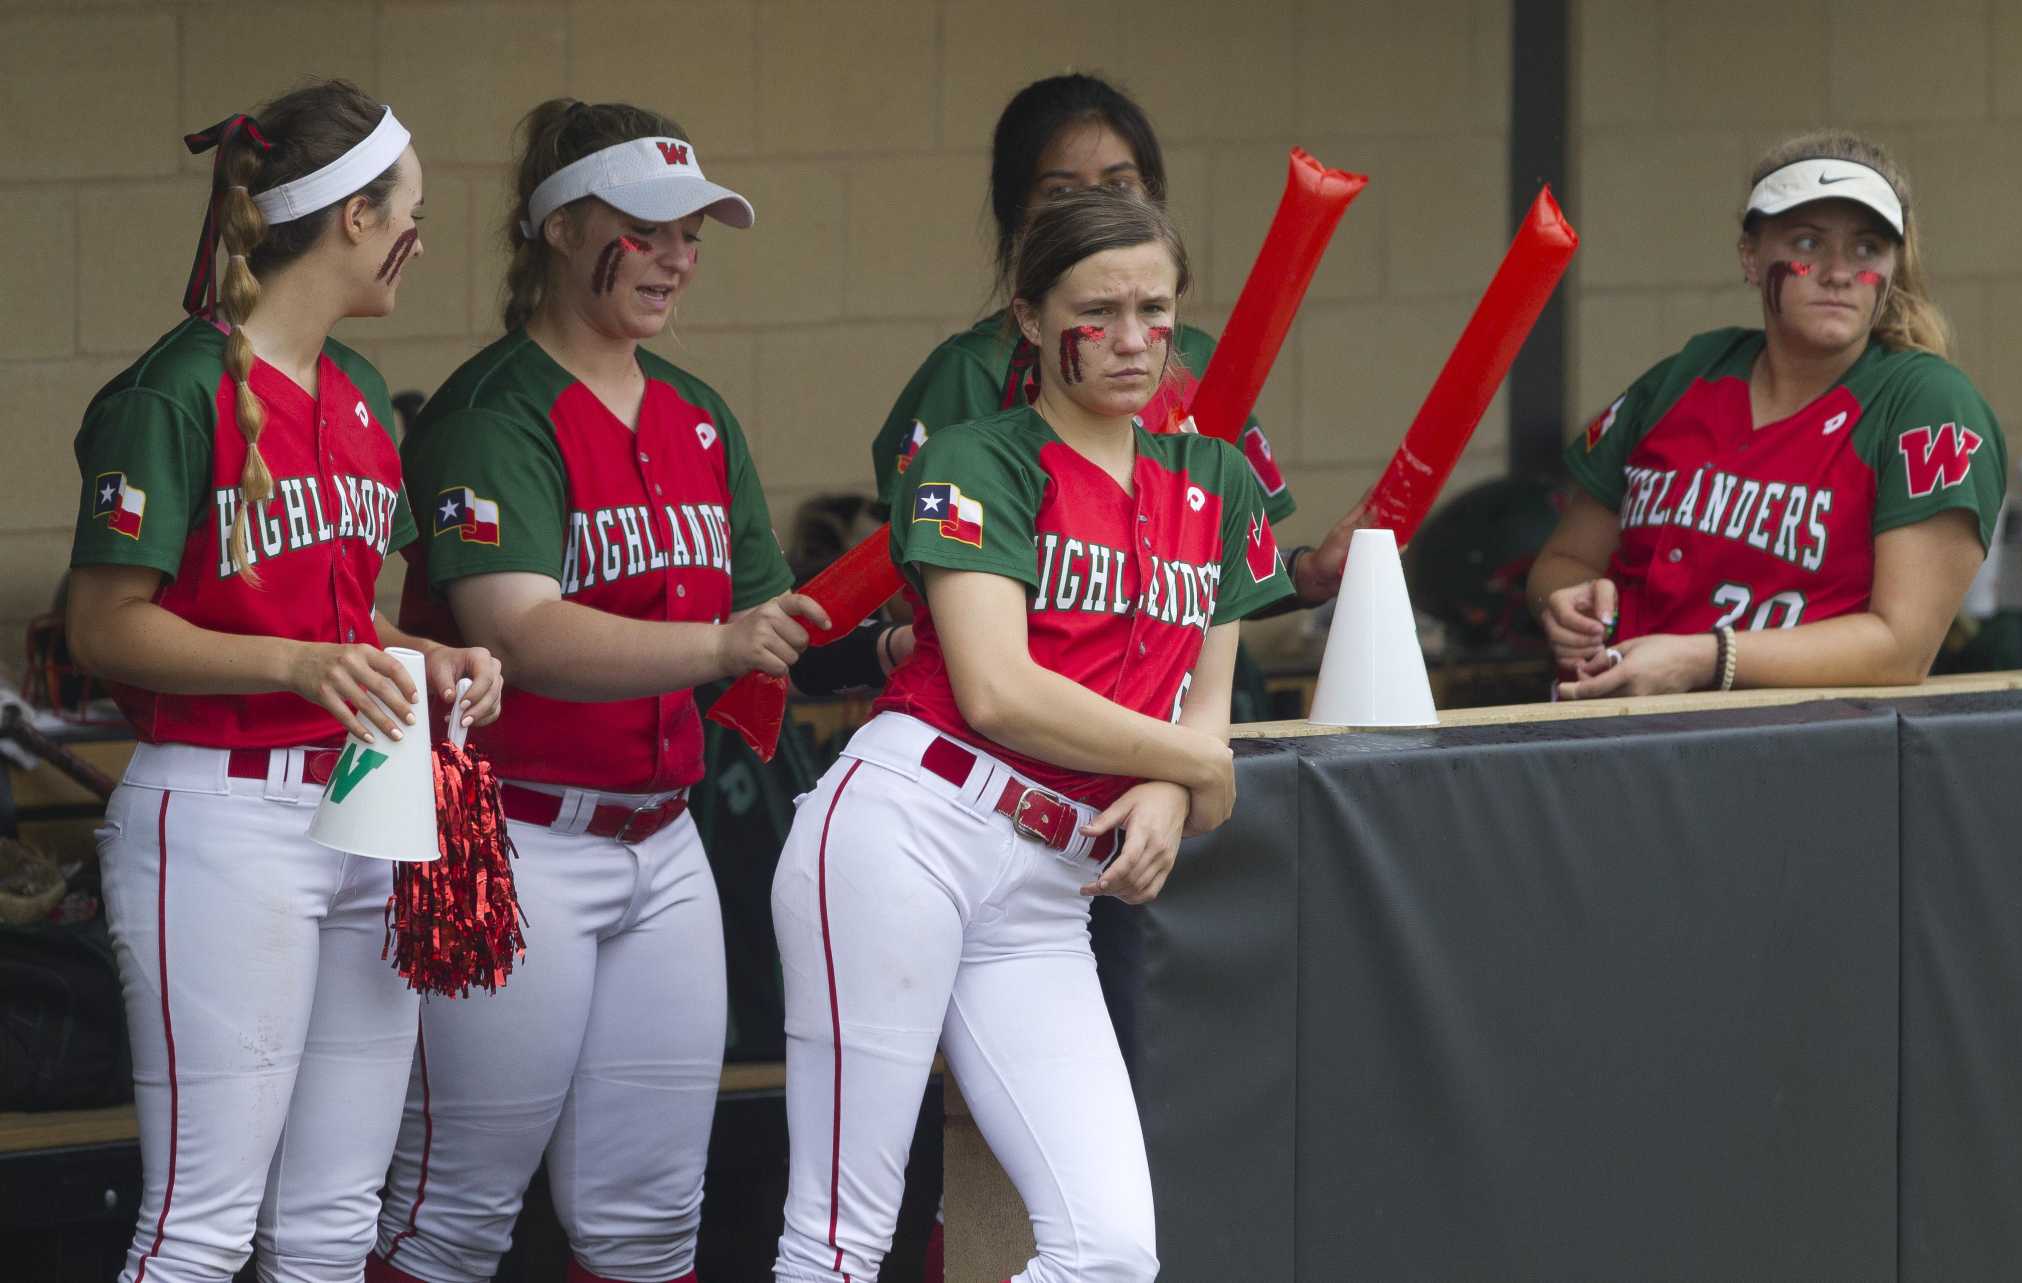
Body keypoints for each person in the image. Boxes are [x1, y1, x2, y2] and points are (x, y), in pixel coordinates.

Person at [773, 186, 1292, 1283]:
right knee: (836, 1242)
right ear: (1028, 315)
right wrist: (1191, 766)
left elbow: (1202, 708)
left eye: (1155, 309)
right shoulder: (976, 455)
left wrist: (1168, 780)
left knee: (1107, 1249)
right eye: (1096, 309)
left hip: (1049, 879)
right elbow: (999, 689)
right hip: (912, 826)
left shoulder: (1218, 479)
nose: (1130, 337)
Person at [368, 99, 829, 1283]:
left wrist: (859, 645)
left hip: (662, 839)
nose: (679, 256)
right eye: (650, 227)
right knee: (451, 1215)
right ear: (564, 228)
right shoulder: (491, 412)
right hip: (509, 832)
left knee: (648, 1223)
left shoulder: (695, 412)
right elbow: (519, 633)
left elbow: (763, 619)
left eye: (693, 233)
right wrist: (726, 648)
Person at [66, 80, 504, 1283]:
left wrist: (437, 659)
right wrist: (300, 663)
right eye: (409, 210)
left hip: (364, 792)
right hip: (220, 807)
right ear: (355, 216)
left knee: (329, 1224)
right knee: (202, 1224)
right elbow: (103, 625)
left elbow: (336, 617)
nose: (421, 236)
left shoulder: (356, 389)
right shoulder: (178, 385)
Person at [1529, 129, 2006, 698]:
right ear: (1751, 258)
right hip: (1604, 741)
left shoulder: (1924, 402)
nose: (1837, 272)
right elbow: (1564, 559)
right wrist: (1567, 602)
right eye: (1806, 244)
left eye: (1866, 248)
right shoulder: (1686, 374)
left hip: (1790, 756)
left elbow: (1902, 647)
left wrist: (1706, 658)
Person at [871, 72, 1364, 614]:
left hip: (1189, 681)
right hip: (1024, 682)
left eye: (1118, 185)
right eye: (1060, 192)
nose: (1132, 343)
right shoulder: (973, 370)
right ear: (1017, 210)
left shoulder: (1190, 357)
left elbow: (1221, 576)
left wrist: (1308, 573)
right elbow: (909, 586)